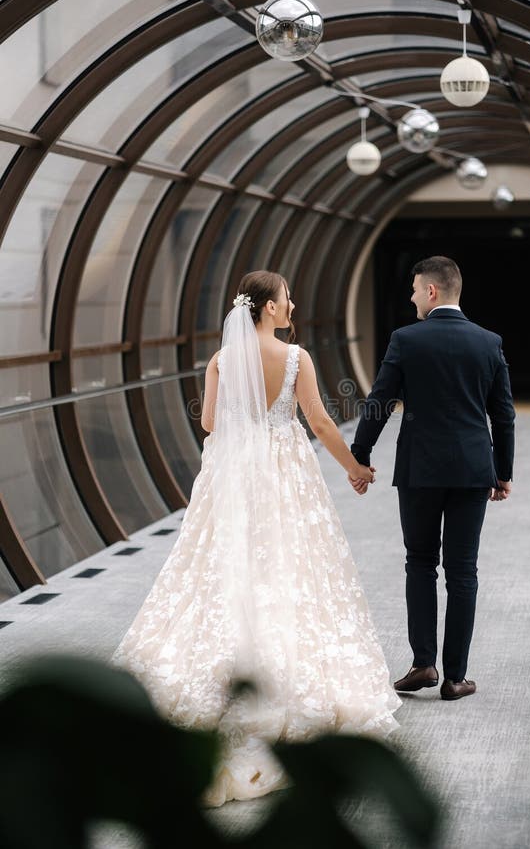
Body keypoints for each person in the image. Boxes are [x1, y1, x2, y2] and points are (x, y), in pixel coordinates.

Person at [110, 270, 401, 806]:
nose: (293, 304)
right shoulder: (296, 359)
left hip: (235, 475)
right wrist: (355, 467)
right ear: (268, 308)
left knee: (221, 566)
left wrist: (246, 426)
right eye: (287, 297)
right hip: (286, 473)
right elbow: (317, 418)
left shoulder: (221, 361)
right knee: (291, 565)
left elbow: (212, 424)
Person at [350, 256, 515, 701]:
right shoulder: (488, 342)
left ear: (431, 292)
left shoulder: (406, 339)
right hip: (471, 470)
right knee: (463, 571)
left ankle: (423, 664)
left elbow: (380, 401)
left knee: (420, 562)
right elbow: (503, 415)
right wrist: (503, 473)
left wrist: (359, 457)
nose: (410, 298)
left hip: (419, 470)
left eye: (414, 289)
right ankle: (455, 678)